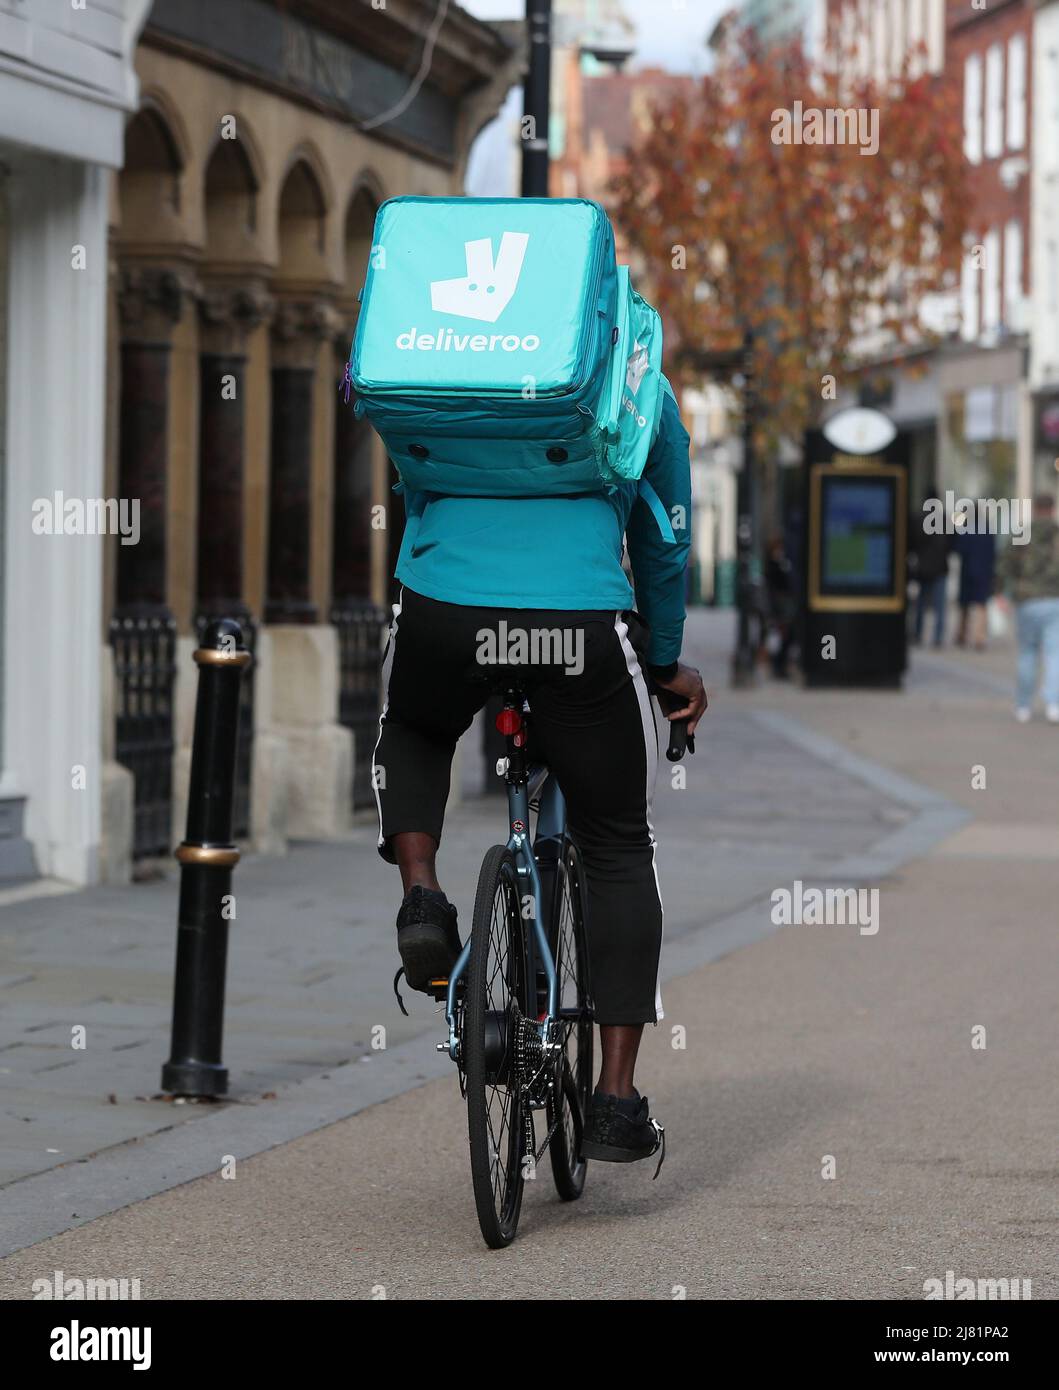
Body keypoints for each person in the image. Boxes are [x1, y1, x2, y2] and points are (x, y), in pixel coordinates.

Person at [372, 384, 706, 1167]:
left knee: (415, 727)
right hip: (575, 620)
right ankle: (615, 1102)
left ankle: (421, 895)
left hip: (444, 607)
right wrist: (662, 662)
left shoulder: (450, 349)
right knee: (619, 840)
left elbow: (409, 470)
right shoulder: (628, 365)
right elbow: (664, 533)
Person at [995, 493, 1059, 723]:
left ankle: (1023, 706)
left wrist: (1002, 592)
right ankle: (1054, 704)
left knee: (1027, 653)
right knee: (1055, 654)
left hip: (1027, 601)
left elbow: (1004, 564)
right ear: (1052, 509)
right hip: (1054, 601)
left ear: (1034, 509)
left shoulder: (1022, 534)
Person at [911, 487, 950, 647]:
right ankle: (938, 637)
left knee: (921, 603)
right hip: (940, 567)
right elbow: (951, 542)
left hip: (924, 568)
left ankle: (918, 634)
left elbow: (913, 542)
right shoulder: (944, 519)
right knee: (940, 606)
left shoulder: (919, 518)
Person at [952, 516, 996, 651]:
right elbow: (994, 551)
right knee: (981, 605)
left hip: (967, 572)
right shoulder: (988, 530)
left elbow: (958, 549)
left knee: (964, 605)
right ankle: (979, 637)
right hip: (984, 572)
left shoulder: (965, 530)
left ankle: (962, 635)